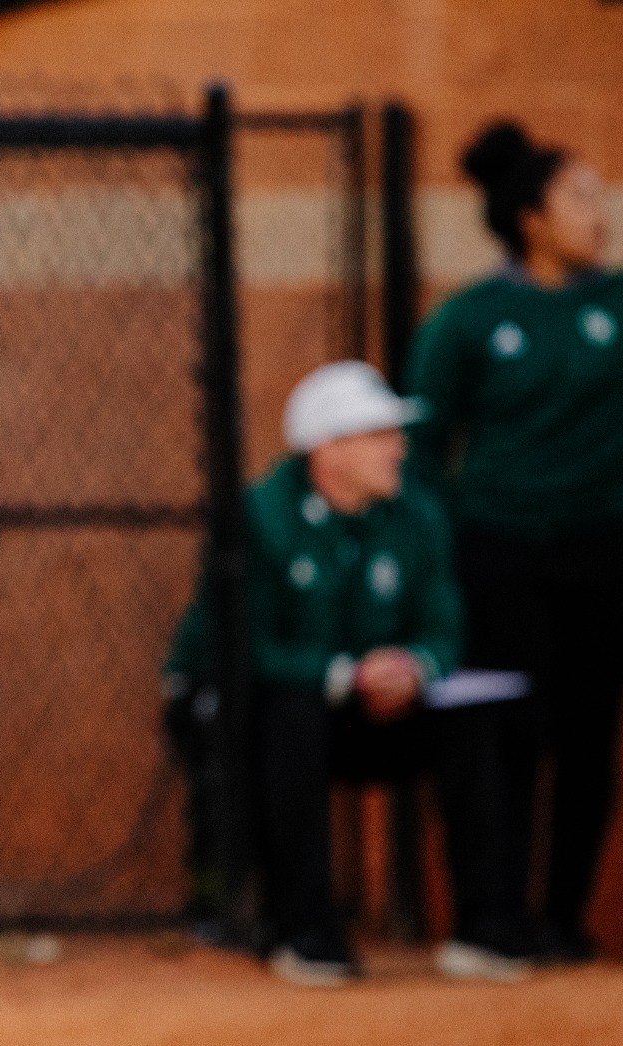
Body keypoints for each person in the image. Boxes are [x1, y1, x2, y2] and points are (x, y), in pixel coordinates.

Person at [403, 121, 623, 963]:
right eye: (582, 198)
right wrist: (443, 544)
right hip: (502, 553)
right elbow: (424, 444)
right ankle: (499, 914)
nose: (599, 215)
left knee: (590, 735)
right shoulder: (468, 319)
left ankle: (565, 917)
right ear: (532, 218)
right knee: (513, 732)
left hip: (609, 549)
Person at [168, 360, 527, 986]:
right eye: (380, 434)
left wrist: (414, 667)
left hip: (372, 710)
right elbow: (242, 651)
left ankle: (487, 929)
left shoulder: (417, 516)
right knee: (291, 710)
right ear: (328, 449)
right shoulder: (259, 516)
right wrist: (346, 674)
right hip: (255, 717)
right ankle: (303, 931)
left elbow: (444, 628)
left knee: (473, 716)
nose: (399, 446)